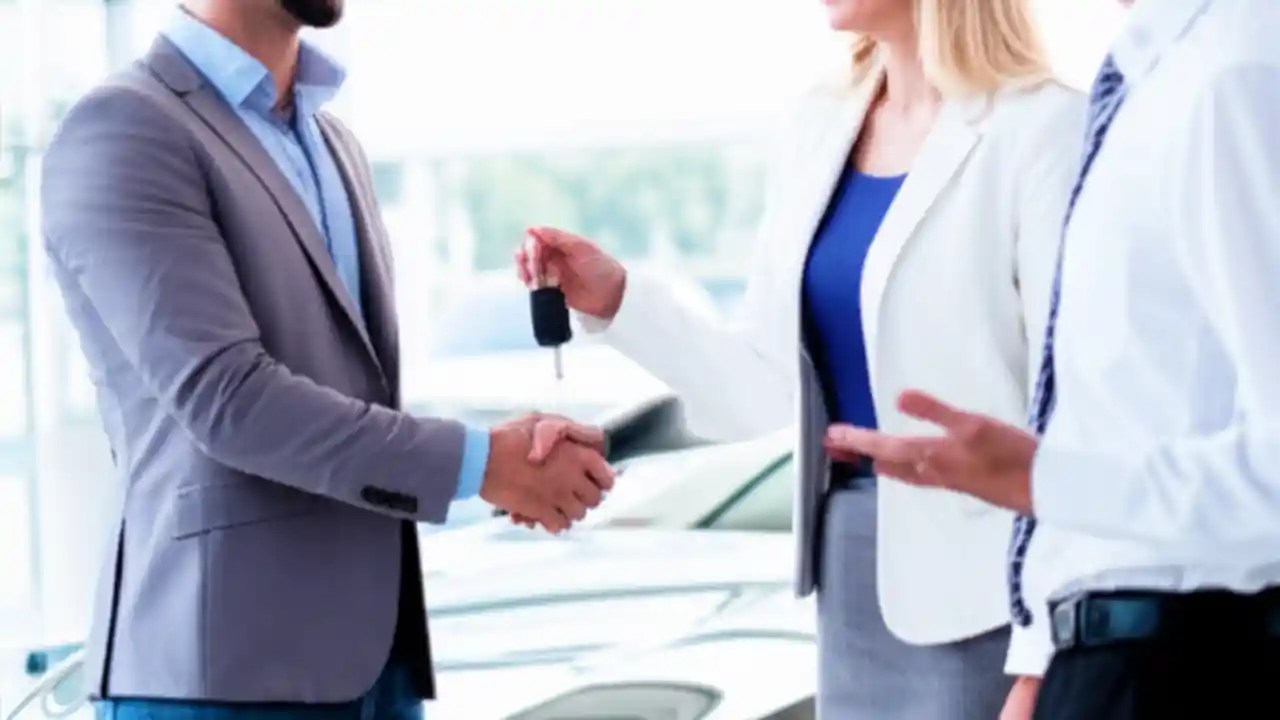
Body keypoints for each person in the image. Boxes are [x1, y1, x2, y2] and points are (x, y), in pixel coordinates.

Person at [40, 1, 612, 719]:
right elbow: (229, 400)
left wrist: (502, 458)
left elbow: (346, 391)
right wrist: (480, 464)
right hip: (220, 677)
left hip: (377, 666)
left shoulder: (328, 137)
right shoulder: (125, 128)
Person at [515, 0, 1086, 716]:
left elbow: (1078, 422)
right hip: (848, 574)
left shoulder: (1043, 129)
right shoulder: (820, 125)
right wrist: (618, 299)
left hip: (995, 602)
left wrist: (1041, 665)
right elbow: (766, 385)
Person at [828, 0, 1280, 718]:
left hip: (1178, 660)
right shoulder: (1157, 74)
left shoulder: (1233, 75)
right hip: (1112, 652)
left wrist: (1045, 480)